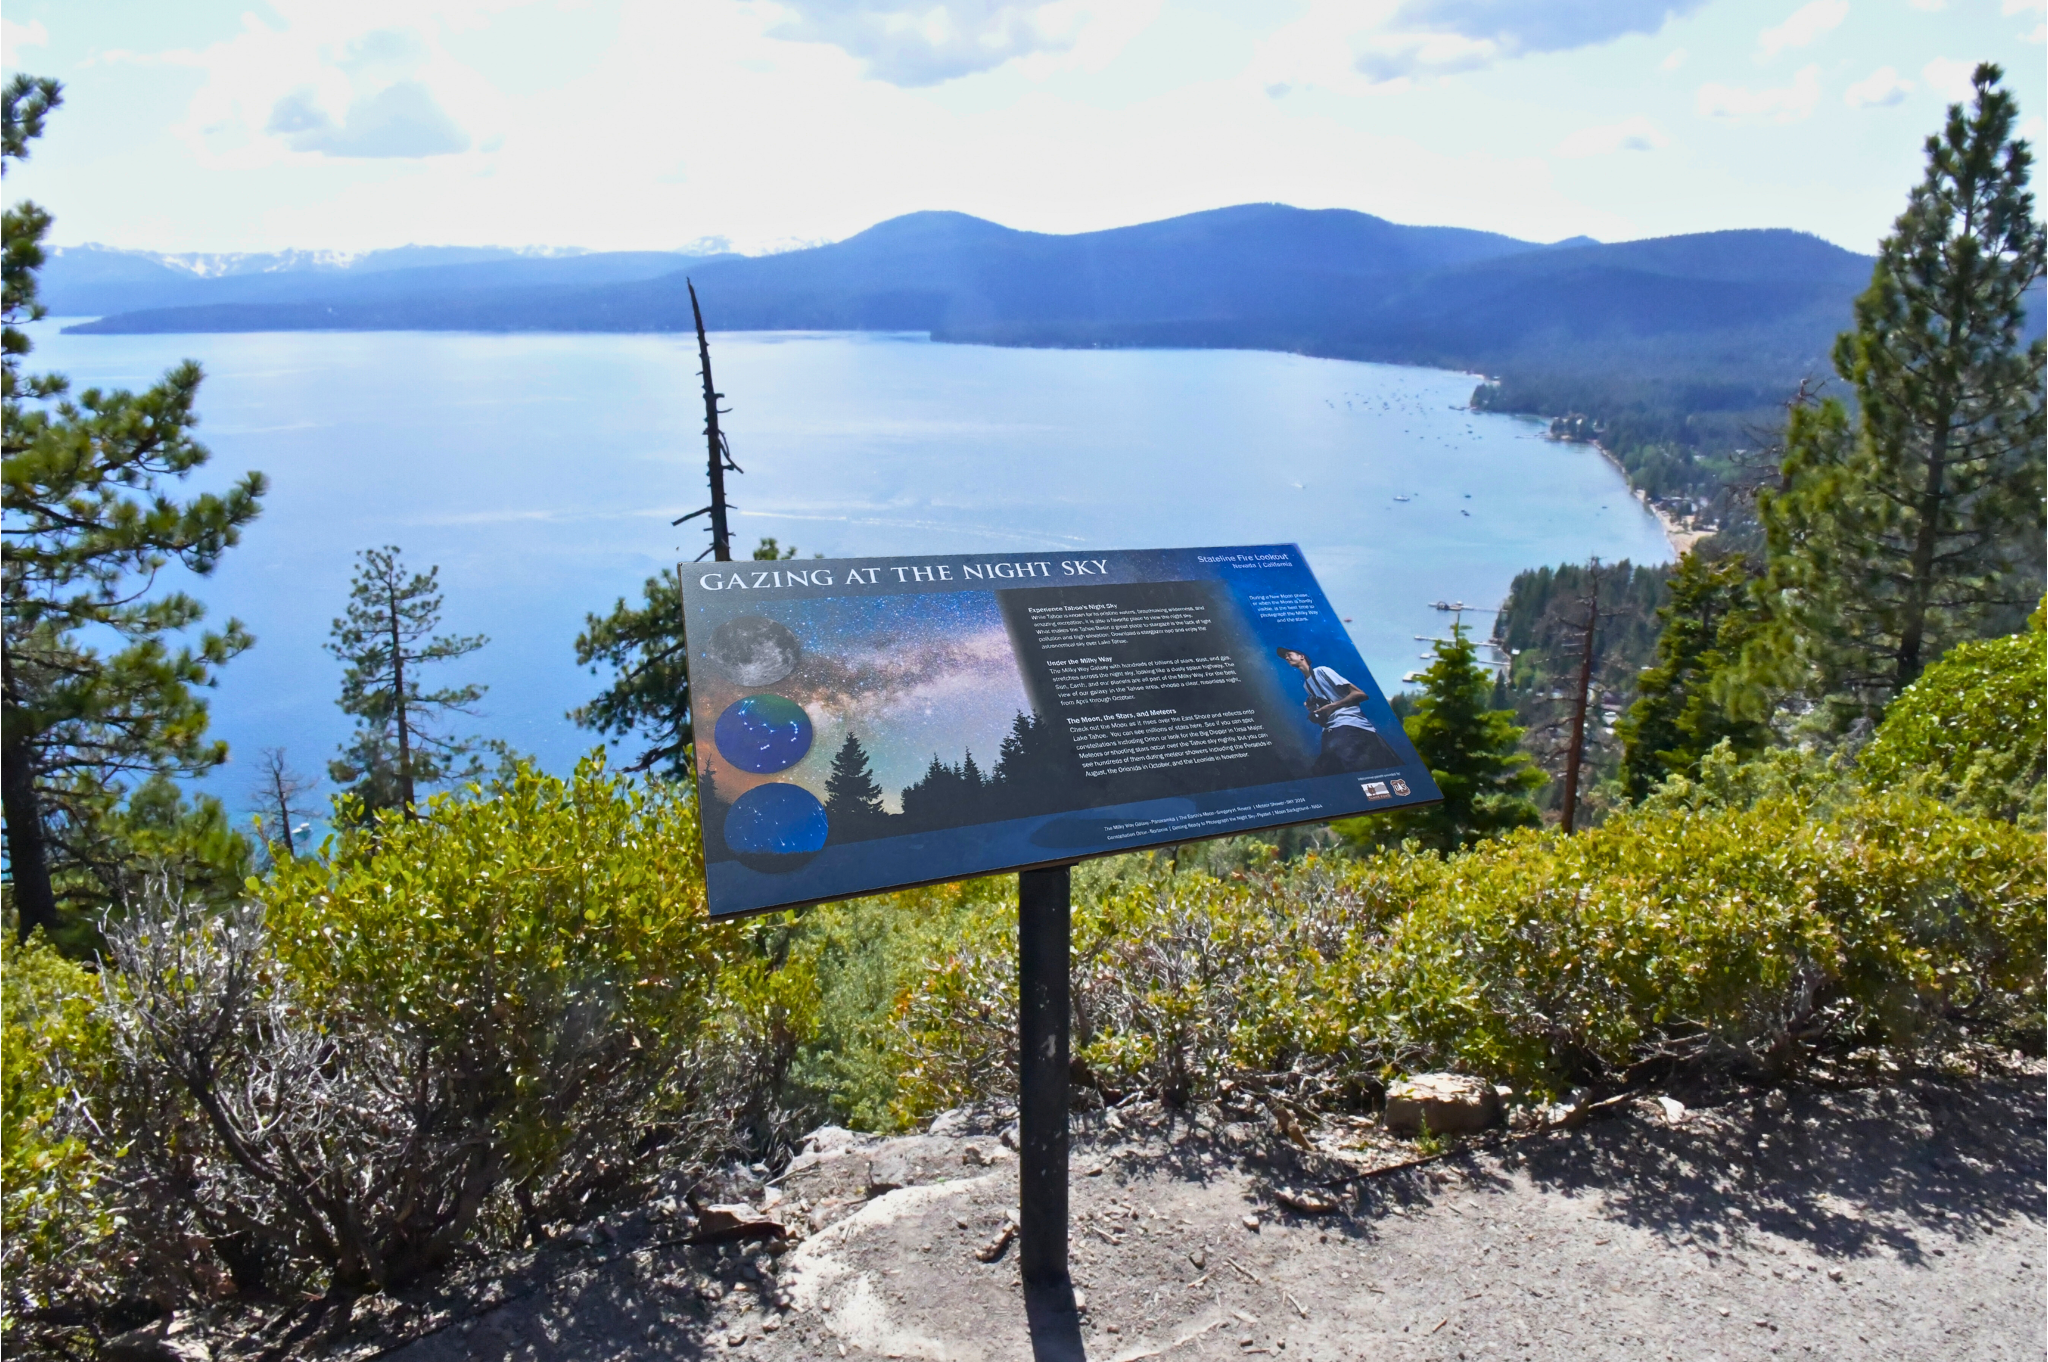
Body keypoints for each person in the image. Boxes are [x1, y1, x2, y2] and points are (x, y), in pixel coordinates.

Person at [1277, 647, 1402, 776]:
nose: (1286, 657)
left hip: (1349, 724)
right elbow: (1325, 710)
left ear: (1301, 656)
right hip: (1330, 730)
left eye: (1289, 654)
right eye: (1285, 657)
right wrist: (1316, 712)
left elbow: (1360, 694)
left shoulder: (1322, 671)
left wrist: (1330, 707)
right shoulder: (1306, 686)